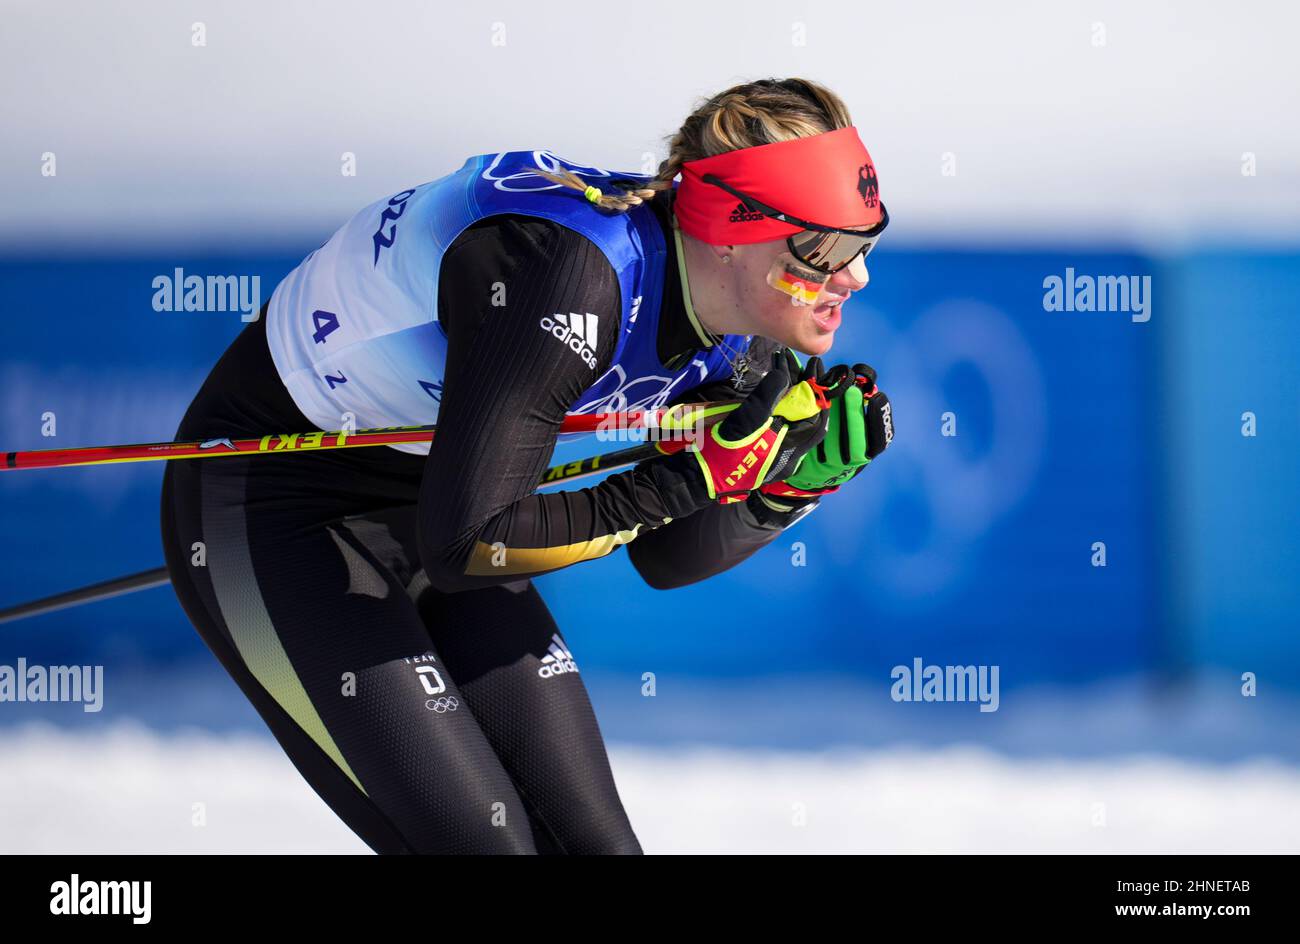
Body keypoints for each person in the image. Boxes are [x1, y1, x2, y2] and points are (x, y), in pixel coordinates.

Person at [159, 76, 894, 855]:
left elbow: (663, 556)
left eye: (864, 242)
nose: (854, 276)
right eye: (826, 247)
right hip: (271, 505)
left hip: (441, 499)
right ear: (730, 227)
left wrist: (781, 489)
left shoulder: (745, 339)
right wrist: (695, 478)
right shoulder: (570, 279)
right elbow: (467, 543)